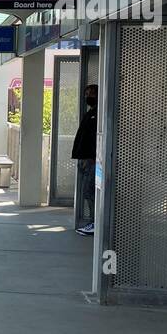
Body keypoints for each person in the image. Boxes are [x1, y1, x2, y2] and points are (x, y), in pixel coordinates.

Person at [71, 84, 98, 235]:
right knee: (87, 191)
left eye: (92, 93)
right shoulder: (90, 113)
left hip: (92, 160)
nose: (88, 96)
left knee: (90, 191)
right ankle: (94, 222)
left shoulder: (97, 114)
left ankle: (95, 223)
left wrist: (93, 158)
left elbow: (95, 138)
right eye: (87, 93)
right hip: (86, 159)